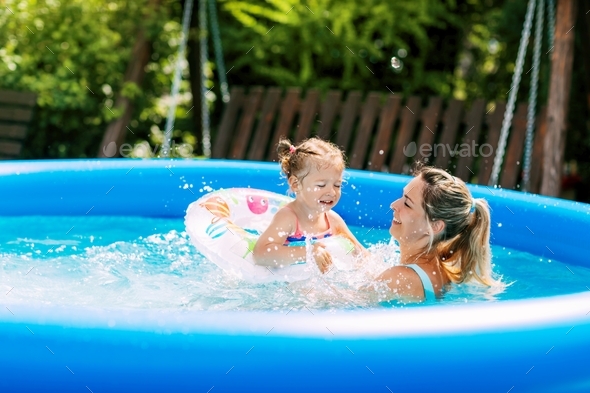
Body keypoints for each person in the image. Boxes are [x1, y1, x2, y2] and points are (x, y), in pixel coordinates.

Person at [376, 164, 498, 302]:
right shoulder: (443, 268)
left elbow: (353, 308)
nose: (394, 205)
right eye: (402, 196)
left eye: (407, 204)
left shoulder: (400, 278)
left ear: (435, 226)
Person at [253, 137, 364, 273]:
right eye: (321, 185)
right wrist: (308, 252)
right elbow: (260, 254)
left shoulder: (332, 220)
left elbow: (360, 252)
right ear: (296, 184)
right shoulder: (288, 218)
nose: (331, 192)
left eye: (337, 185)